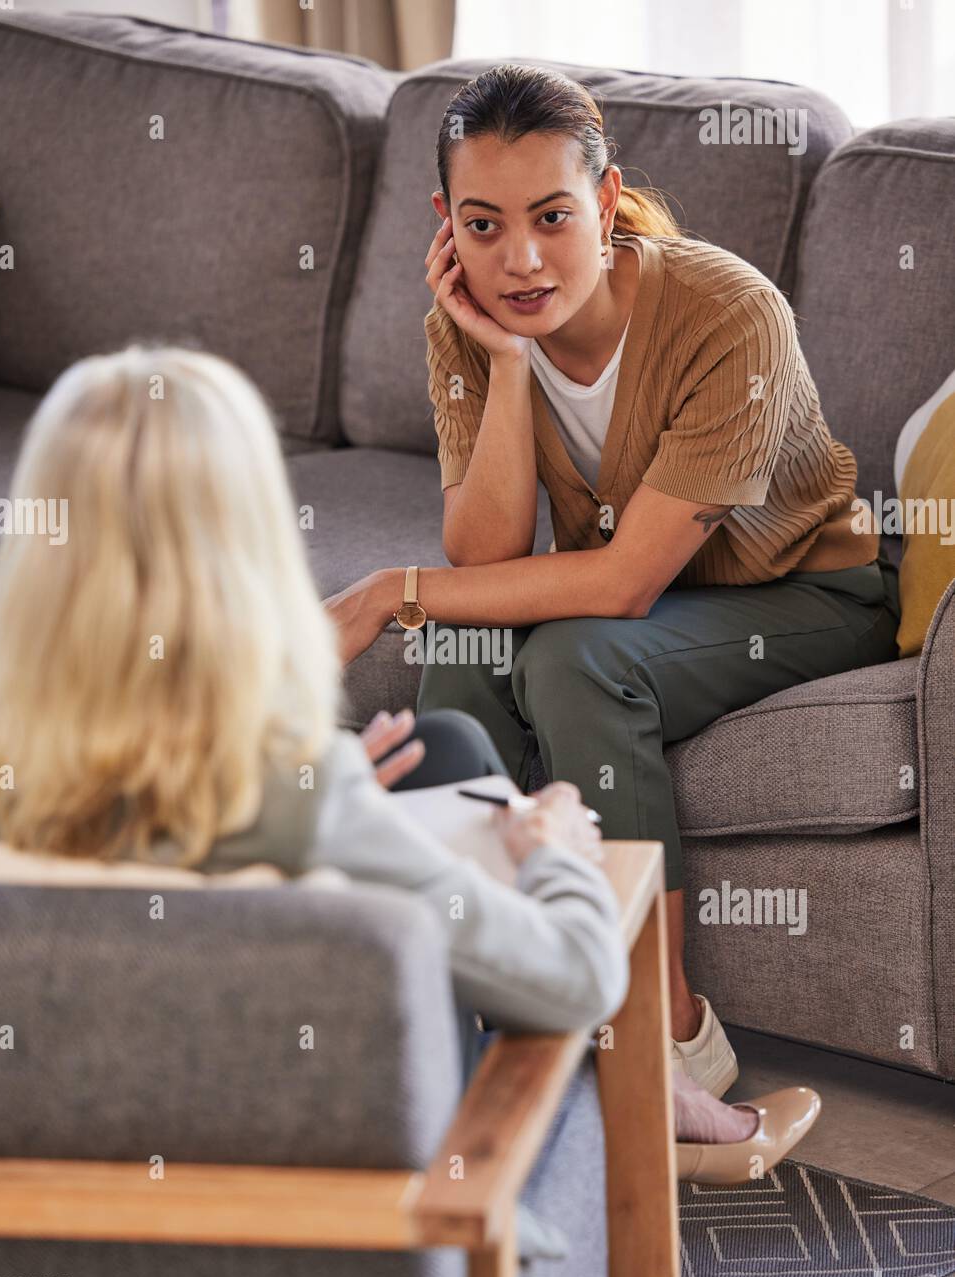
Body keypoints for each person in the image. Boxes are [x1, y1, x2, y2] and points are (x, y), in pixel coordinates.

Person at [0, 343, 818, 1186]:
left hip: (35, 1142)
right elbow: (576, 979)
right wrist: (552, 853)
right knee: (500, 845)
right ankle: (659, 1093)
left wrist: (330, 817)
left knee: (438, 754)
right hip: (319, 1167)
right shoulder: (293, 800)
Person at [323, 62, 900, 1101]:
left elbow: (626, 585)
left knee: (579, 659)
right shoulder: (465, 322)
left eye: (552, 215)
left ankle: (667, 1033)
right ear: (444, 221)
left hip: (806, 596)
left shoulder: (729, 315)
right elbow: (488, 561)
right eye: (485, 225)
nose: (523, 258)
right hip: (647, 597)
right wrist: (505, 364)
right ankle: (493, 1000)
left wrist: (379, 593)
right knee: (466, 646)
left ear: (602, 196)